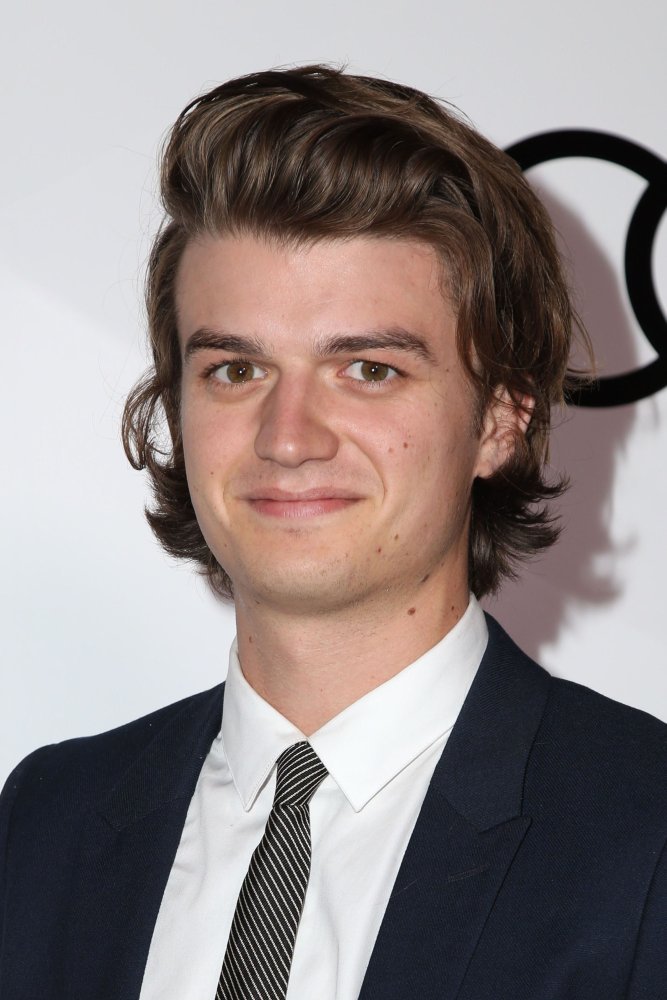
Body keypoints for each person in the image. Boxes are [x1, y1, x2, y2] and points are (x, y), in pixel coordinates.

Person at [1, 65, 665, 1000]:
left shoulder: (642, 836)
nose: (288, 438)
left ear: (499, 419)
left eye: (368, 370)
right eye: (235, 370)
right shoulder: (45, 824)